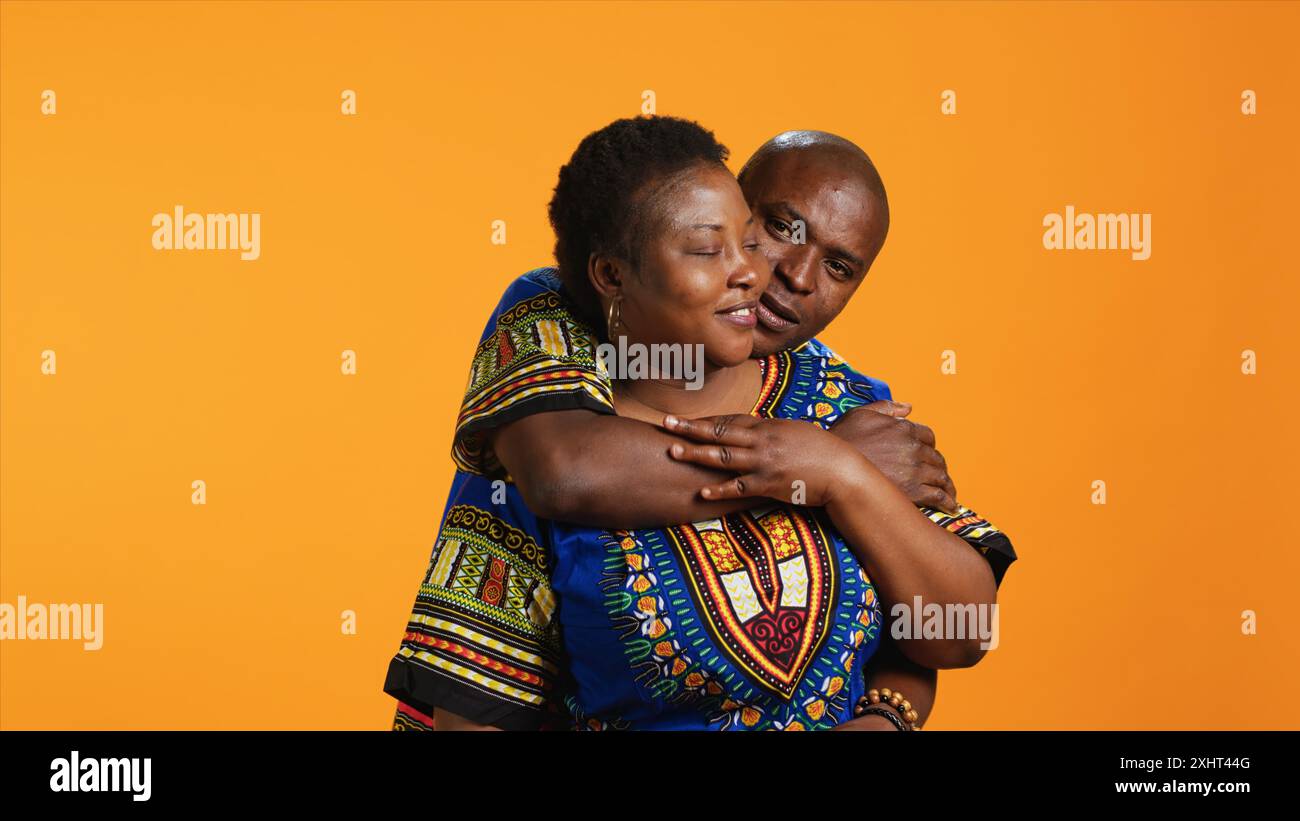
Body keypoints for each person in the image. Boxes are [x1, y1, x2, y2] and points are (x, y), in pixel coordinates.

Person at [384, 116, 1015, 730]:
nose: (793, 275)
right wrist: (798, 468)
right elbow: (564, 474)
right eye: (778, 228)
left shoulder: (848, 408)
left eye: (839, 268)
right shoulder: (551, 369)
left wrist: (841, 473)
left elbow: (951, 629)